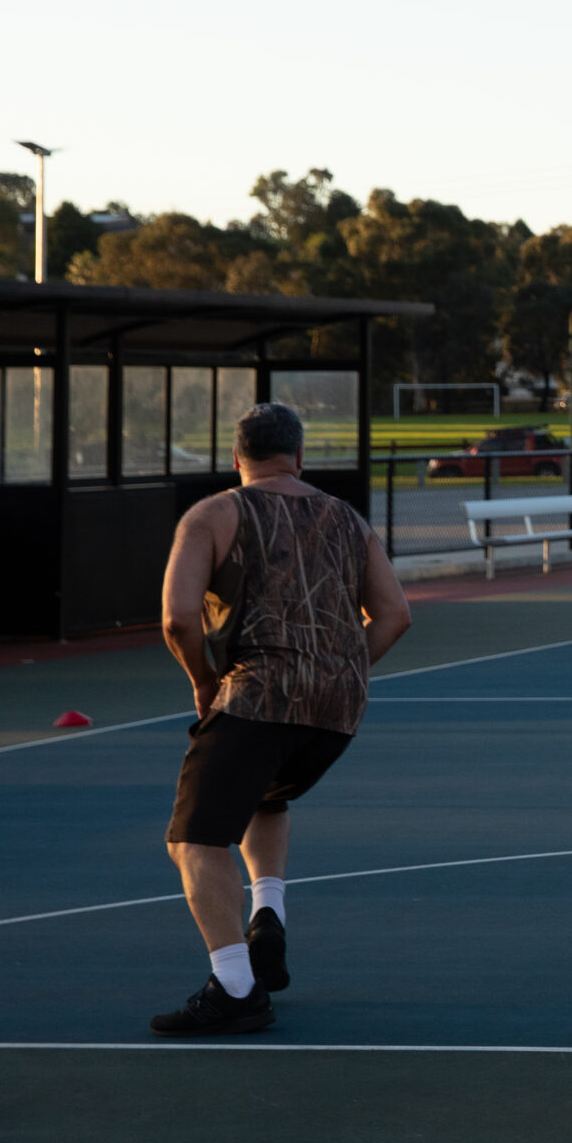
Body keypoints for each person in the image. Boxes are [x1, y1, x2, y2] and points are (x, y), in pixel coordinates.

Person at [150, 401, 412, 1036]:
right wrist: (344, 669)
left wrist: (204, 681)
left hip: (258, 694)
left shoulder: (214, 513)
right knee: (265, 797)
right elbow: (396, 614)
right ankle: (267, 911)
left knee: (193, 840)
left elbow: (178, 617)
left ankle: (236, 988)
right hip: (337, 711)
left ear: (236, 459)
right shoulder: (347, 518)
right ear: (299, 457)